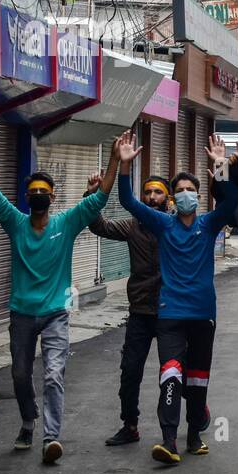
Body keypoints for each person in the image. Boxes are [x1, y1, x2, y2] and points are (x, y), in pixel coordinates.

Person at [0, 122, 122, 464]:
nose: (38, 194)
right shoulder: (15, 222)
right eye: (33, 190)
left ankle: (51, 437)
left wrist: (114, 161)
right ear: (28, 197)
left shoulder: (65, 224)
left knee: (53, 374)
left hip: (55, 315)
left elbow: (100, 197)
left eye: (43, 191)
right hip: (21, 314)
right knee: (20, 375)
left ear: (52, 197)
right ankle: (27, 420)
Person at [114, 131, 238, 466]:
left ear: (199, 196)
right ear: (172, 198)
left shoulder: (209, 223)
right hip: (170, 314)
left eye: (190, 190)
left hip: (203, 315)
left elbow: (230, 203)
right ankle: (168, 441)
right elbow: (128, 202)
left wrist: (219, 166)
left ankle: (195, 435)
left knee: (197, 378)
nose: (185, 195)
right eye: (180, 190)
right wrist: (124, 167)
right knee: (170, 373)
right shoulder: (162, 224)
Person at [83, 171, 170, 446]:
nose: (152, 198)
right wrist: (92, 195)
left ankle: (186, 421)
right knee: (130, 371)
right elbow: (100, 227)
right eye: (147, 193)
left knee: (174, 375)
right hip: (141, 313)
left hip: (171, 313)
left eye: (157, 192)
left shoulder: (176, 226)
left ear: (168, 198)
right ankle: (129, 425)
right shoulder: (133, 227)